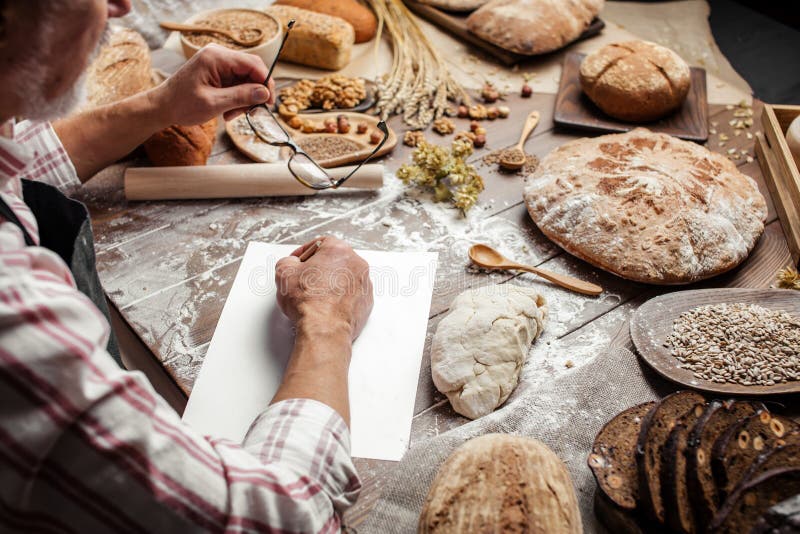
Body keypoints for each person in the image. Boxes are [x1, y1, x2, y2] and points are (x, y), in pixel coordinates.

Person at [0, 1, 374, 531]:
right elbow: (273, 518)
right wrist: (328, 323)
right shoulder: (13, 315)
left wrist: (159, 106)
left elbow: (14, 165)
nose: (121, 6)